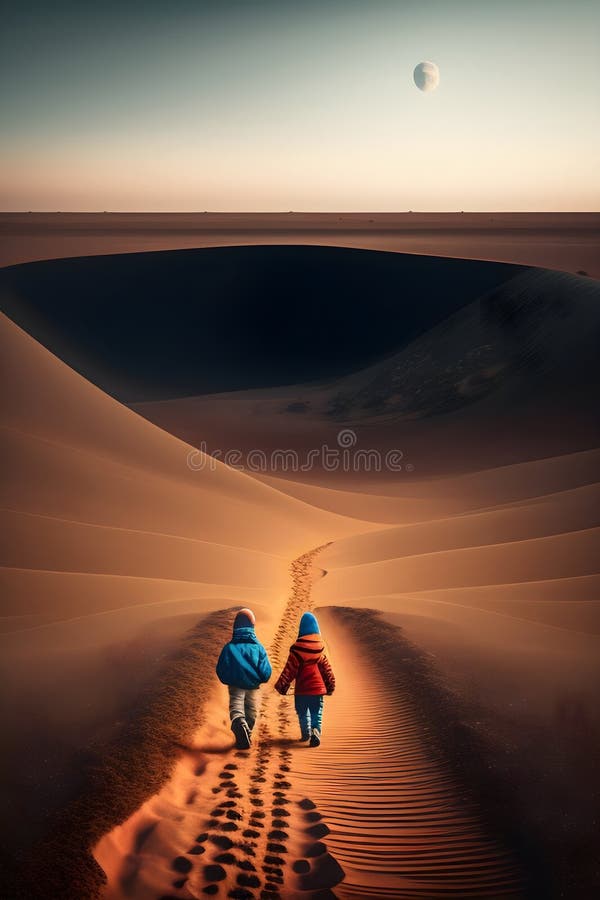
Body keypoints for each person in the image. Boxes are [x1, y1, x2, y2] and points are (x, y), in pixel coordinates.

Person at [275, 611, 335, 747]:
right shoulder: (321, 650)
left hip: (301, 690)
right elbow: (327, 670)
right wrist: (330, 686)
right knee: (316, 713)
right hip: (317, 690)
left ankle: (305, 733)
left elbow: (289, 670)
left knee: (302, 712)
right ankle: (315, 732)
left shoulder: (296, 650)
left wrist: (282, 686)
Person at [216, 608, 272, 749]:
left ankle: (239, 724)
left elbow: (221, 669)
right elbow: (266, 671)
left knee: (236, 707)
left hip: (235, 685)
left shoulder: (229, 648)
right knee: (251, 711)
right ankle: (247, 731)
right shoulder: (258, 648)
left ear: (235, 626)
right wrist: (261, 678)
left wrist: (228, 679)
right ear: (252, 627)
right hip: (252, 685)